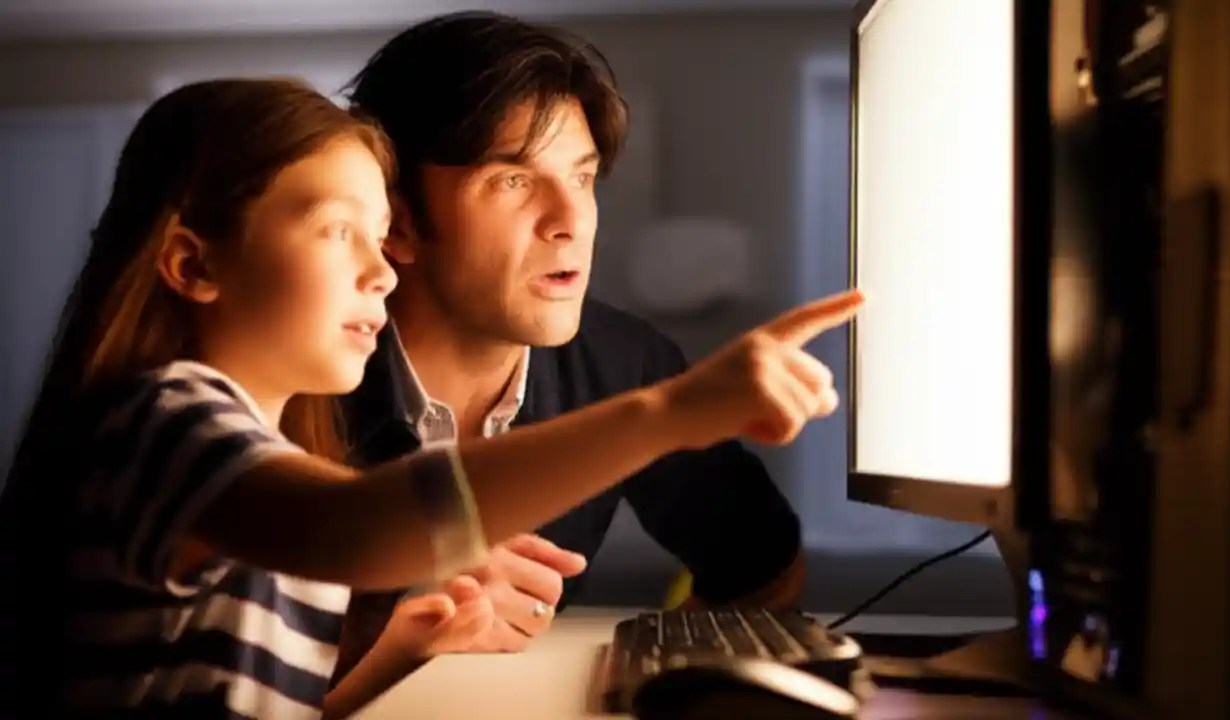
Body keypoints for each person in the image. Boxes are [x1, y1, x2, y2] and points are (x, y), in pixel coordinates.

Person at [0, 77, 860, 719]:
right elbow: (366, 526)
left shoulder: (247, 444)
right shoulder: (166, 421)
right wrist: (668, 413)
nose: (381, 271)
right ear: (193, 263)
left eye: (379, 236)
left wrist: (401, 650)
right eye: (340, 232)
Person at [333, 9, 814, 671]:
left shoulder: (625, 363)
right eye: (513, 181)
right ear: (397, 222)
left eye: (583, 178)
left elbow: (762, 568)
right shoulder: (301, 366)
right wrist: (392, 630)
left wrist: (656, 688)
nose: (570, 221)